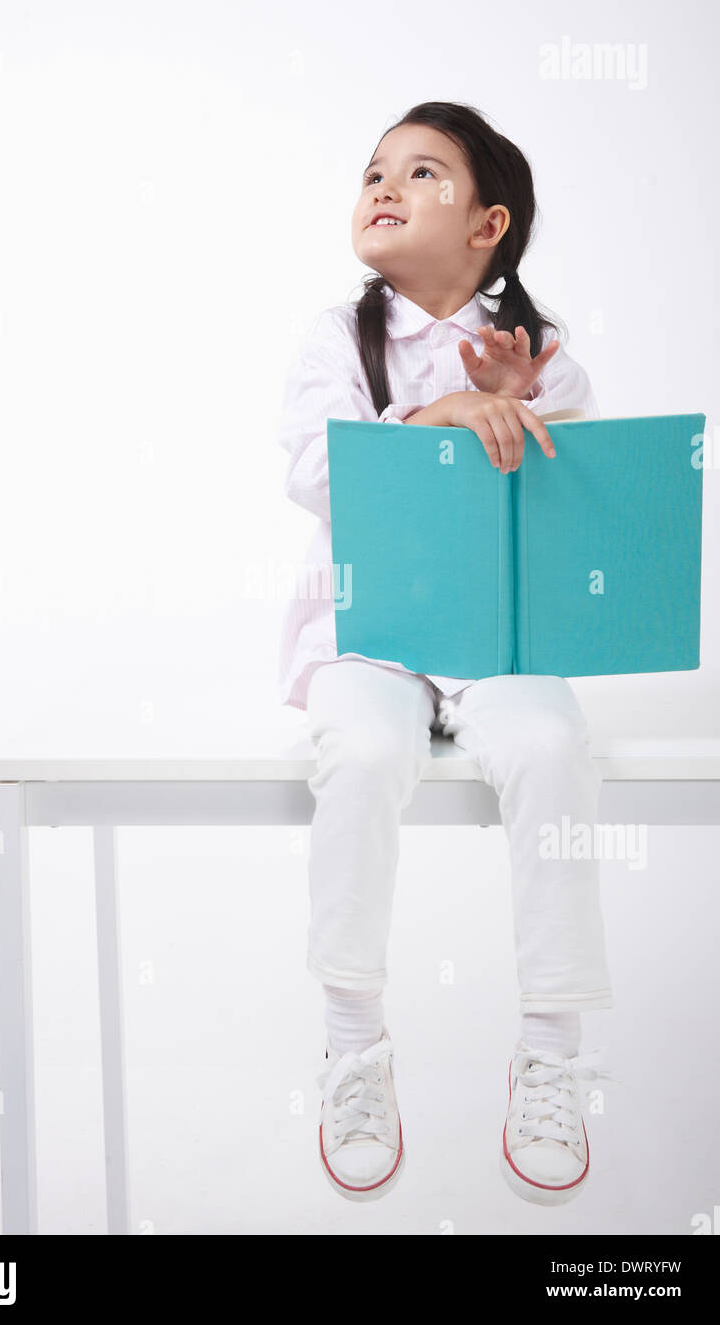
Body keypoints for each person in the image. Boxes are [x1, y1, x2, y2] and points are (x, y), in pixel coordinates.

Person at [276, 102, 615, 1207]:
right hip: (369, 630)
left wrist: (517, 405)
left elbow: (573, 502)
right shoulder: (339, 338)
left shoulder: (537, 351)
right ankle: (350, 1042)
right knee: (365, 758)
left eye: (420, 173)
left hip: (494, 636)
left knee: (551, 744)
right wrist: (441, 412)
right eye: (372, 169)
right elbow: (319, 473)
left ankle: (551, 1048)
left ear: (486, 225)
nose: (382, 185)